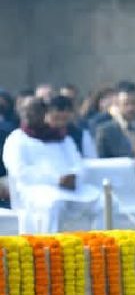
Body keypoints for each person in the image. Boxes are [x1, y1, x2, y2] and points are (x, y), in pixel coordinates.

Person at [1, 97, 102, 233]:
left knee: (105, 201)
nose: (29, 114)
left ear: (44, 113)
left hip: (70, 189)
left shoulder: (62, 138)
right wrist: (56, 180)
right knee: (53, 204)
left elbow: (78, 163)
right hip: (34, 191)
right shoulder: (16, 139)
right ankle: (49, 250)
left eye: (35, 110)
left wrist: (75, 177)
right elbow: (20, 172)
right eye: (25, 111)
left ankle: (102, 247)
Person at [94, 86, 135, 202]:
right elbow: (104, 164)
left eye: (134, 104)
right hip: (119, 189)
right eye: (126, 104)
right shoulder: (105, 131)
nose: (131, 108)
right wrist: (132, 163)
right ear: (117, 105)